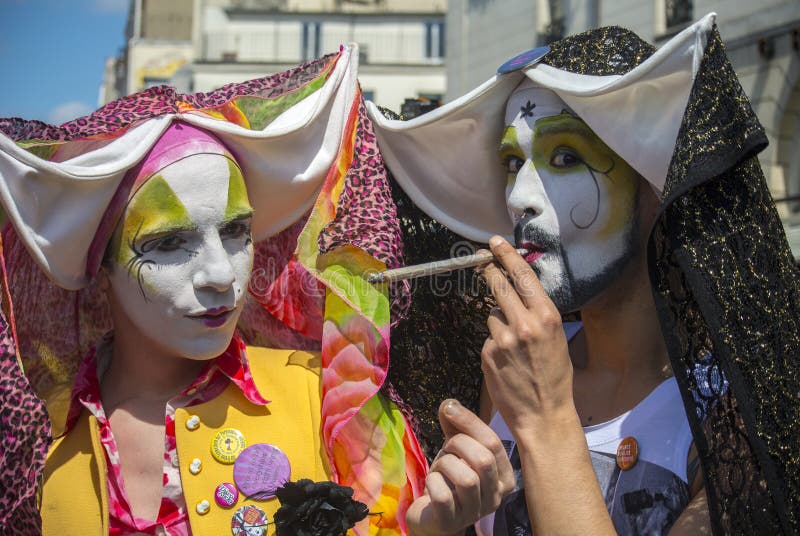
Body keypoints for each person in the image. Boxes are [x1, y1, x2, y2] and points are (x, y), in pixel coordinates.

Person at [0, 44, 512, 536]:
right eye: (169, 242)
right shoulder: (35, 454)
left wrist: (435, 528)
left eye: (235, 232)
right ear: (101, 264)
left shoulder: (328, 396)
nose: (221, 274)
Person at [369, 12, 799, 534]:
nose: (519, 198)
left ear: (653, 187)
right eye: (513, 163)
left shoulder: (732, 417)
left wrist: (546, 419)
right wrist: (438, 527)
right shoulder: (512, 370)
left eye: (566, 156)